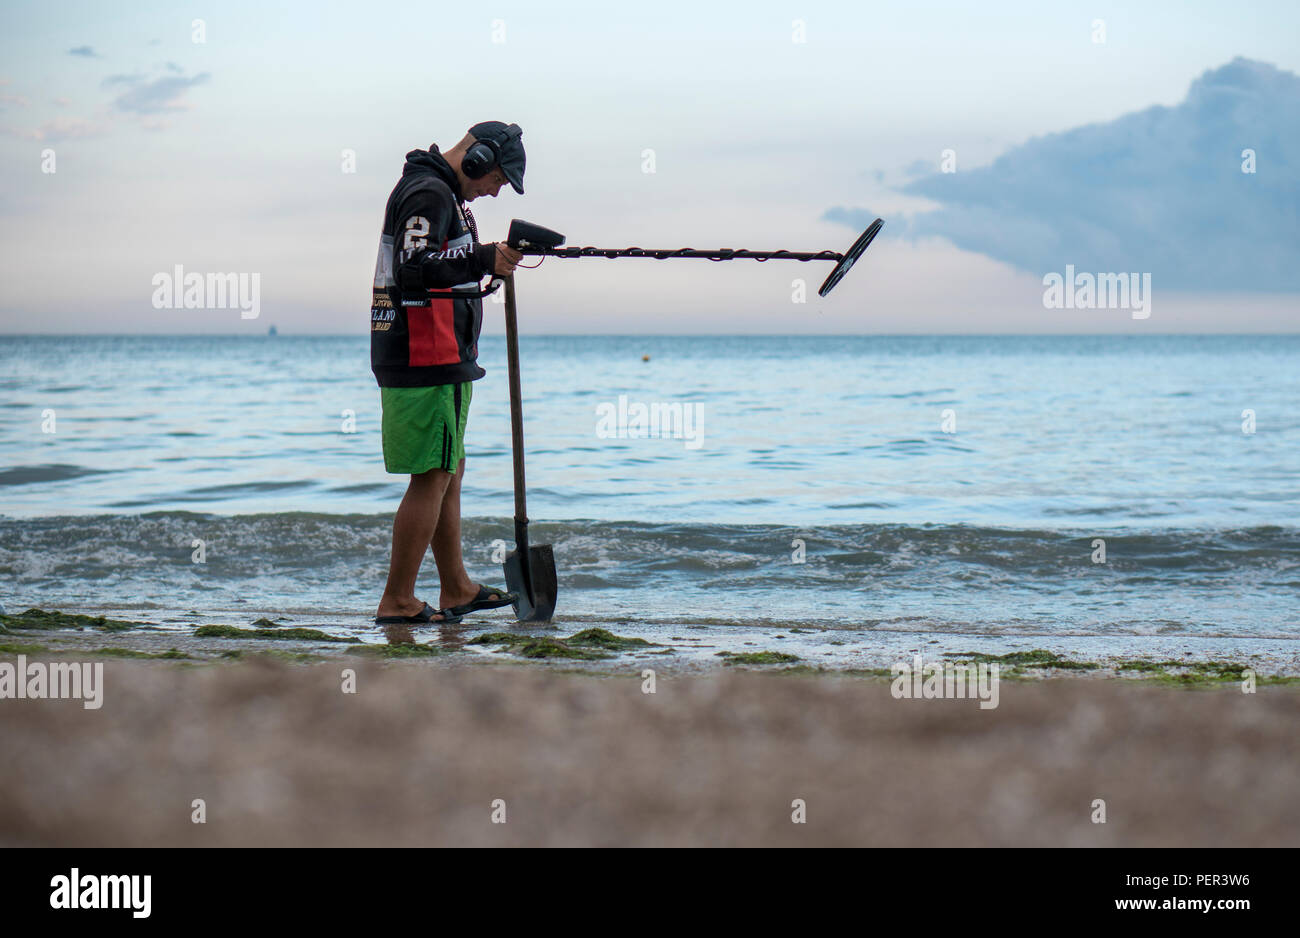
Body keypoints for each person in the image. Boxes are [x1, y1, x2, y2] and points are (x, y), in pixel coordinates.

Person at [370, 121, 527, 625]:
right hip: (424, 353)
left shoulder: (434, 191)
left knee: (449, 469)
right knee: (434, 474)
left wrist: (484, 260)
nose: (492, 191)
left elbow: (433, 259)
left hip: (434, 353)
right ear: (477, 158)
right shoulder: (429, 191)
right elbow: (416, 264)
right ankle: (398, 600)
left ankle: (457, 588)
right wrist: (485, 259)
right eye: (496, 180)